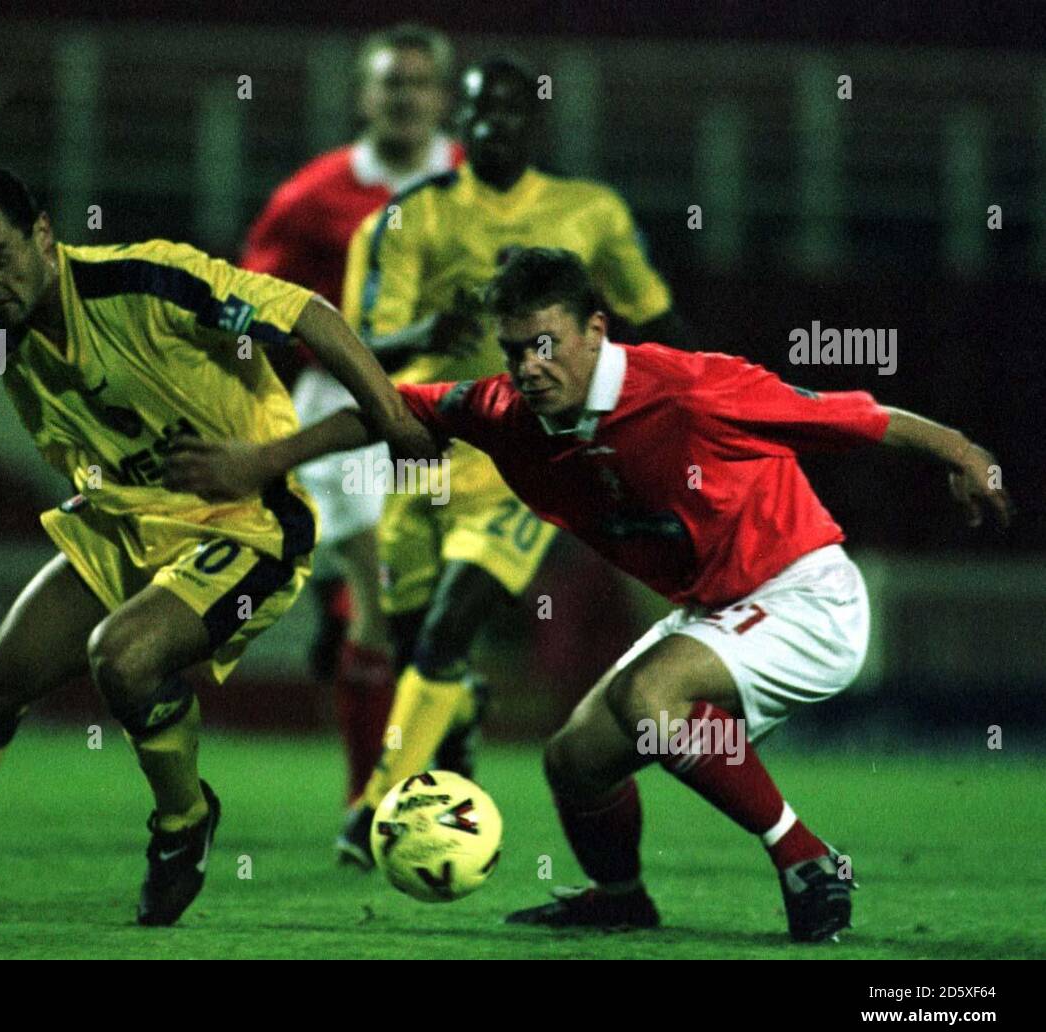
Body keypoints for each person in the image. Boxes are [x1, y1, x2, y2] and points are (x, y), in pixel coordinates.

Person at [161, 248, 1012, 941]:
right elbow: (384, 410)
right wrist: (259, 461)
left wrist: (966, 454)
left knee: (652, 695)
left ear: (595, 330)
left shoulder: (685, 388)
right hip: (715, 612)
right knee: (574, 760)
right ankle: (621, 895)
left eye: (547, 344)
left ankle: (808, 858)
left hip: (806, 595)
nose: (530, 367)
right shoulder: (501, 411)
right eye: (514, 349)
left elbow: (850, 413)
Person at [0, 165, 426, 926]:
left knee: (123, 658)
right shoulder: (22, 357)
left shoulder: (144, 280)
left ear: (43, 234)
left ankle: (183, 823)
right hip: (129, 526)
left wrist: (341, 432)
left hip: (247, 524)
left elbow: (307, 312)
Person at [328, 58, 686, 865]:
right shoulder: (408, 218)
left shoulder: (587, 213)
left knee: (451, 626)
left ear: (536, 121)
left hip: (526, 457)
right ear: (463, 117)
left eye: (513, 109)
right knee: (420, 638)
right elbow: (356, 343)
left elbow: (659, 324)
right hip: (422, 454)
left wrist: (663, 433)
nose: (495, 123)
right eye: (482, 108)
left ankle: (377, 802)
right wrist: (425, 333)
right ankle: (456, 715)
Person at [240, 24, 462, 811]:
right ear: (365, 96)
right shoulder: (309, 198)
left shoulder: (479, 185)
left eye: (418, 83)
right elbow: (248, 309)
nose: (404, 97)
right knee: (381, 592)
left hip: (459, 414)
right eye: (389, 83)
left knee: (443, 606)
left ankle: (399, 712)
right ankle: (366, 802)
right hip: (350, 409)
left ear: (443, 97)